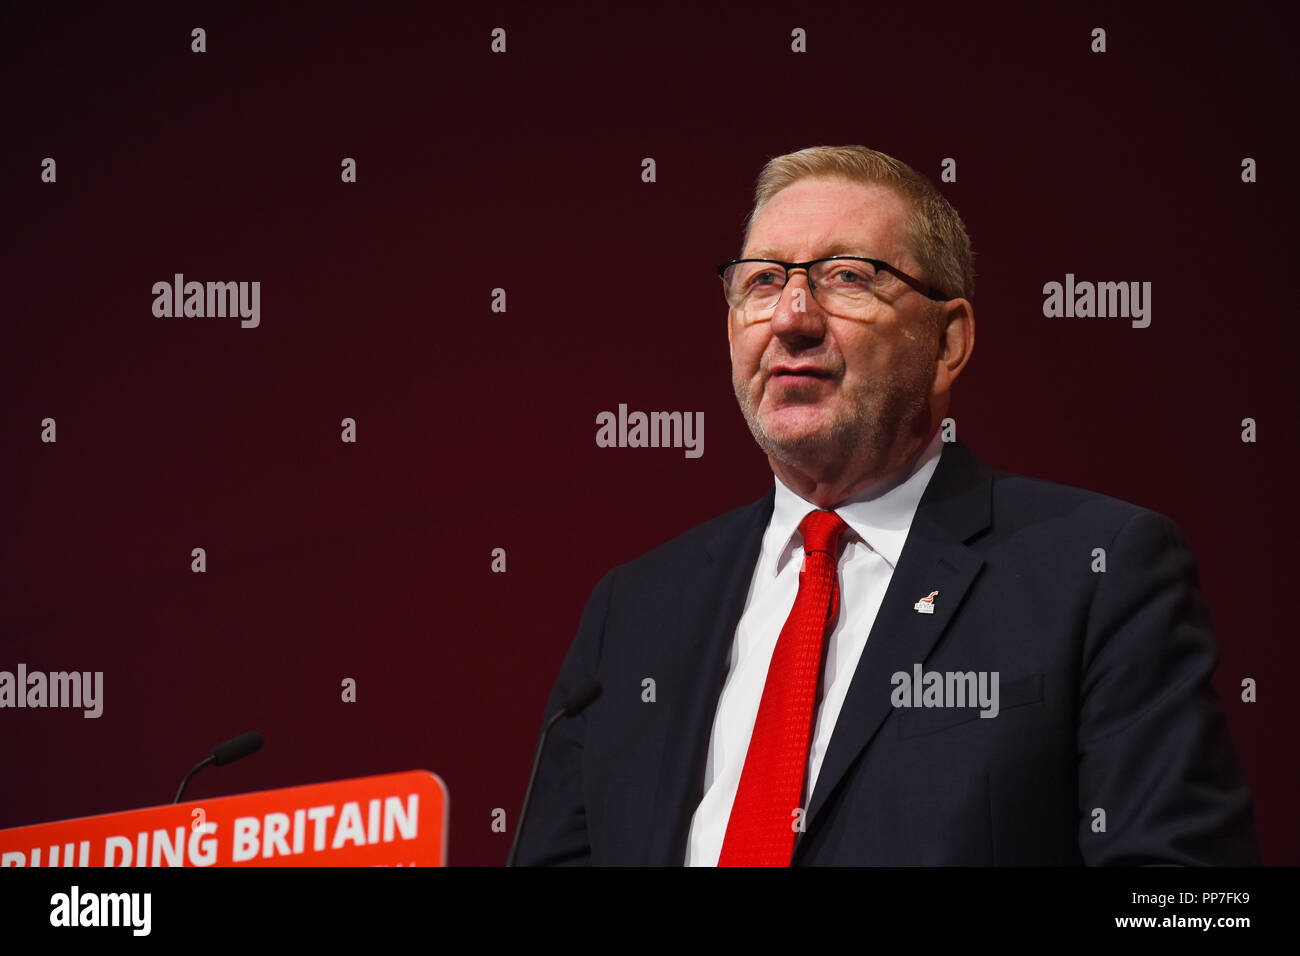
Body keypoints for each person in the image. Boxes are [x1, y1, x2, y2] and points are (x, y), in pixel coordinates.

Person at [513, 145, 1260, 866]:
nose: (792, 318)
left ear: (948, 342)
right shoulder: (633, 611)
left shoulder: (1096, 572)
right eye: (763, 282)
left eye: (846, 277)